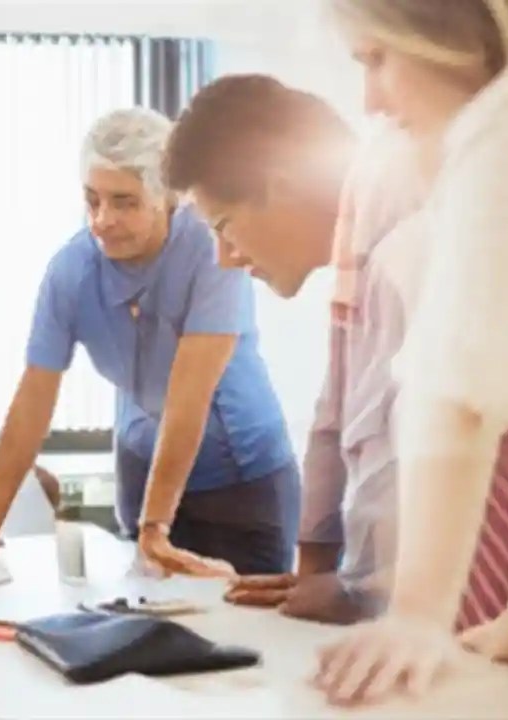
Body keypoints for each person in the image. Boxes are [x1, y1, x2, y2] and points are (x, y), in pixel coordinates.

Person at [0, 107, 301, 577]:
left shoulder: (210, 247)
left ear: (165, 197)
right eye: (92, 199)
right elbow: (34, 397)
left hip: (243, 480)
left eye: (125, 202)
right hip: (142, 470)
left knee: (248, 631)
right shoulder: (72, 270)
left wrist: (156, 524)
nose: (102, 220)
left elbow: (188, 397)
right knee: (148, 628)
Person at [304, 0, 508, 705]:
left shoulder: (502, 129)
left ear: (446, 34)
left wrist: (417, 616)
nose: (372, 101)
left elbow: (450, 395)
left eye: (378, 60)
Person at [162, 72, 423, 621]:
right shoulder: (354, 260)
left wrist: (367, 588)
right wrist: (317, 573)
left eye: (224, 226)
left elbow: (459, 448)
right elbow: (333, 424)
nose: (225, 258)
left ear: (278, 186)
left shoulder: (407, 240)